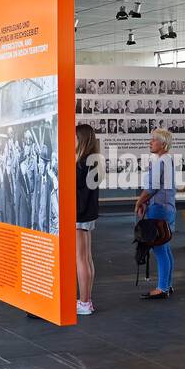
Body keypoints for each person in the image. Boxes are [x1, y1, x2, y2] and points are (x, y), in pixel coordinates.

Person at [135, 128, 176, 300]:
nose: (150, 142)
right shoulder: (165, 160)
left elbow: (152, 187)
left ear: (163, 143)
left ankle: (162, 288)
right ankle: (167, 284)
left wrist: (139, 201)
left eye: (153, 140)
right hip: (165, 207)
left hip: (159, 208)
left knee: (159, 248)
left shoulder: (161, 161)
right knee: (165, 248)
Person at [75, 124, 100, 315]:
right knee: (87, 258)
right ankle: (87, 300)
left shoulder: (82, 163)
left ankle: (84, 302)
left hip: (79, 215)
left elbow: (77, 191)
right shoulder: (93, 161)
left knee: (81, 259)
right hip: (88, 214)